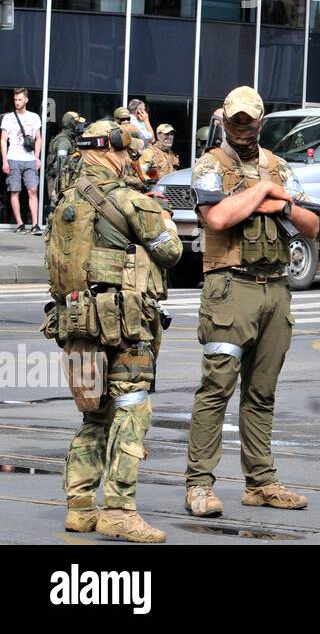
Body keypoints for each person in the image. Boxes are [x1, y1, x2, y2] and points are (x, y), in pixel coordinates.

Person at [183, 86, 320, 517]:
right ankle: (199, 485)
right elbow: (218, 217)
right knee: (216, 388)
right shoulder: (209, 165)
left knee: (262, 392)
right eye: (235, 120)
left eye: (250, 121)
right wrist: (264, 194)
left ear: (261, 122)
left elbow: (311, 224)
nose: (242, 128)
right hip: (230, 287)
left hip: (275, 288)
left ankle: (260, 482)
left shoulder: (278, 167)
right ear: (224, 119)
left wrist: (277, 205)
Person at [43, 119, 183, 542]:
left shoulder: (65, 202)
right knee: (132, 407)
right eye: (125, 152)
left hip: (75, 322)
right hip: (123, 325)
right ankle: (120, 509)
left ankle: (80, 506)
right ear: (110, 151)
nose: (129, 159)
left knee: (94, 414)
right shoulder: (125, 199)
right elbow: (170, 251)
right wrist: (164, 218)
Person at [2, 87, 43, 234]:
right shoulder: (8, 118)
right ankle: (19, 223)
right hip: (13, 157)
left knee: (33, 190)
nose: (17, 102)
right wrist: (5, 161)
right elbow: (3, 140)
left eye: (19, 99)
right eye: (15, 100)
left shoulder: (34, 117)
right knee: (15, 191)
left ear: (26, 100)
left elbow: (39, 138)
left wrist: (37, 158)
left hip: (30, 158)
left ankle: (35, 224)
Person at [45, 110, 85, 210]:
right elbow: (60, 165)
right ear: (71, 124)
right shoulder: (64, 141)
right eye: (77, 123)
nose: (79, 125)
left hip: (65, 182)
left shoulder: (70, 139)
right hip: (59, 183)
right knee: (57, 210)